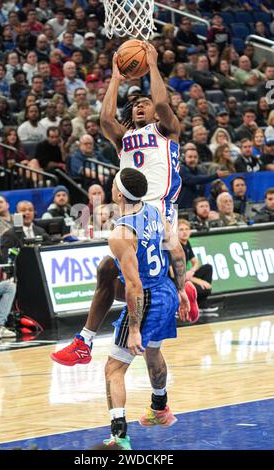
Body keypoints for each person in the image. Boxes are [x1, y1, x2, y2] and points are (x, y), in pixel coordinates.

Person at [51, 42, 195, 367]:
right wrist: (115, 77)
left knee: (149, 273)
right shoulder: (123, 139)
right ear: (131, 115)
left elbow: (160, 100)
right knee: (107, 271)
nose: (143, 107)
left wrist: (154, 64)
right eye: (137, 106)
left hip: (158, 208)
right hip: (131, 211)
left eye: (146, 103)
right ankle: (84, 342)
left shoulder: (168, 131)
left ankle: (181, 289)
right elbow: (104, 118)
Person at [104, 170, 185, 448]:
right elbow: (177, 252)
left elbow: (134, 286)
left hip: (147, 297)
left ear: (118, 194)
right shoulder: (153, 212)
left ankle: (119, 436)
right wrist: (183, 291)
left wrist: (135, 328)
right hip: (167, 292)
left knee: (114, 368)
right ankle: (160, 408)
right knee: (154, 351)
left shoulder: (120, 233)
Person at [178, 219, 218, 315]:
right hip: (176, 280)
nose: (185, 232)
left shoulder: (186, 243)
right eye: (181, 229)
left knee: (208, 268)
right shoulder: (177, 247)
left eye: (187, 229)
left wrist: (192, 270)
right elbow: (176, 274)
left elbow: (196, 262)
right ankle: (182, 306)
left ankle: (201, 304)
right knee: (203, 288)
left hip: (186, 276)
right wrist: (199, 281)